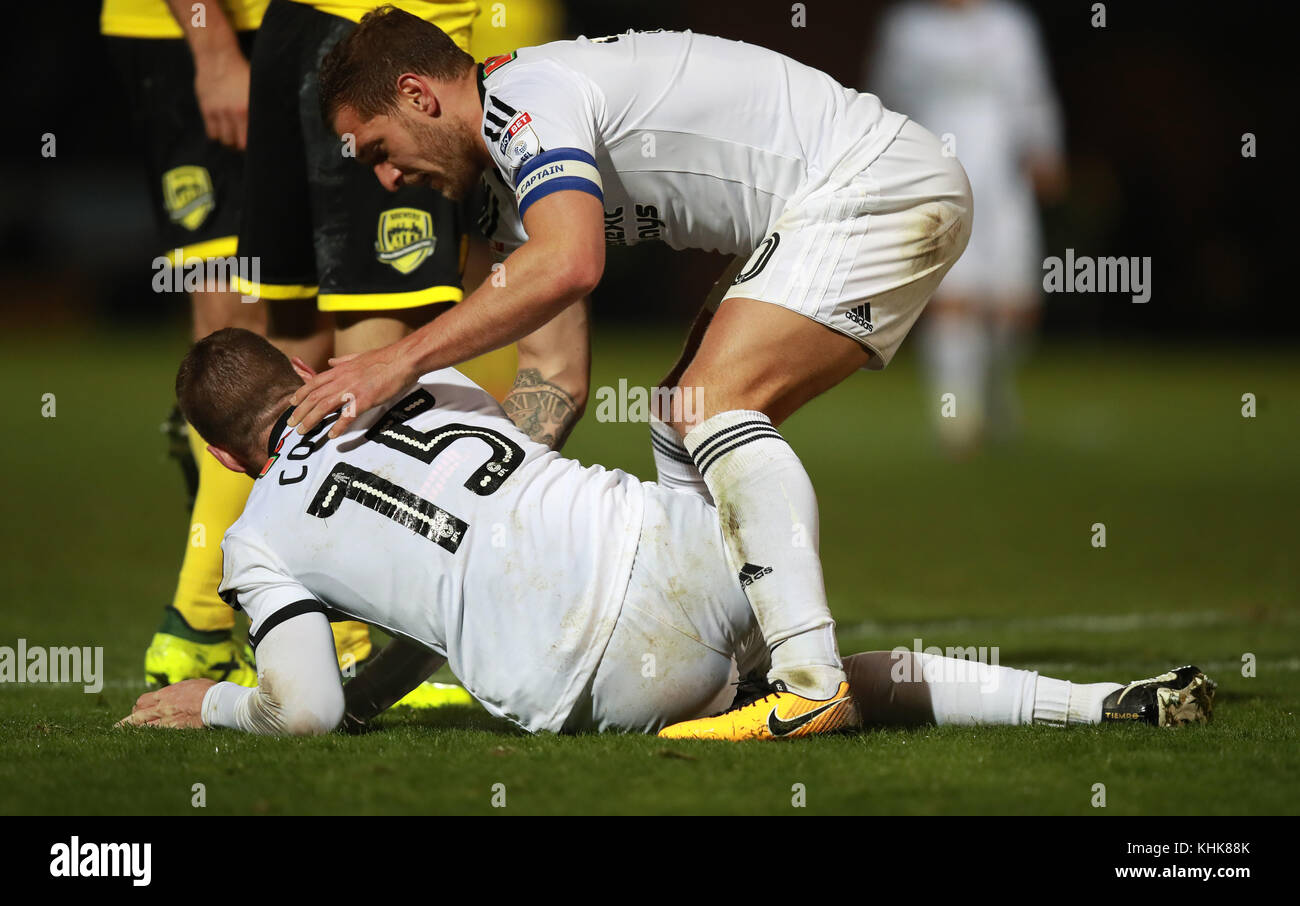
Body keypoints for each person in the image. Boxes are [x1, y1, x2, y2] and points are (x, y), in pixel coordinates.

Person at [283, 10, 976, 739]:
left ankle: (810, 684)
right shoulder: (502, 184)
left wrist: (397, 360)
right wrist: (461, 527)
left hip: (875, 183)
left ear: (419, 94)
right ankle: (740, 675)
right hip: (843, 198)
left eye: (378, 152)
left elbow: (571, 260)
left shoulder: (524, 101)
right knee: (681, 416)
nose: (389, 179)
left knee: (713, 403)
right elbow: (554, 381)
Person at [117, 329, 1217, 738]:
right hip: (687, 551)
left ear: (221, 457)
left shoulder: (256, 532)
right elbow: (482, 530)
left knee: (809, 688)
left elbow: (302, 711)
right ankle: (1092, 704)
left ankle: (808, 684)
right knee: (695, 410)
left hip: (607, 686)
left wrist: (210, 703)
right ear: (309, 375)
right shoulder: (433, 374)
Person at [103, 0, 266, 687]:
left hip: (285, 29)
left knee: (296, 332)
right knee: (244, 345)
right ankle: (201, 623)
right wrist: (213, 47)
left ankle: (249, 618)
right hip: (197, 34)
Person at [868, 0, 1067, 455]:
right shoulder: (908, 29)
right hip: (938, 173)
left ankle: (997, 392)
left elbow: (1032, 93)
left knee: (1012, 303)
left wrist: (1045, 149)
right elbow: (888, 98)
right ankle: (955, 415)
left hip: (1003, 176)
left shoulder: (1010, 25)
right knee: (953, 294)